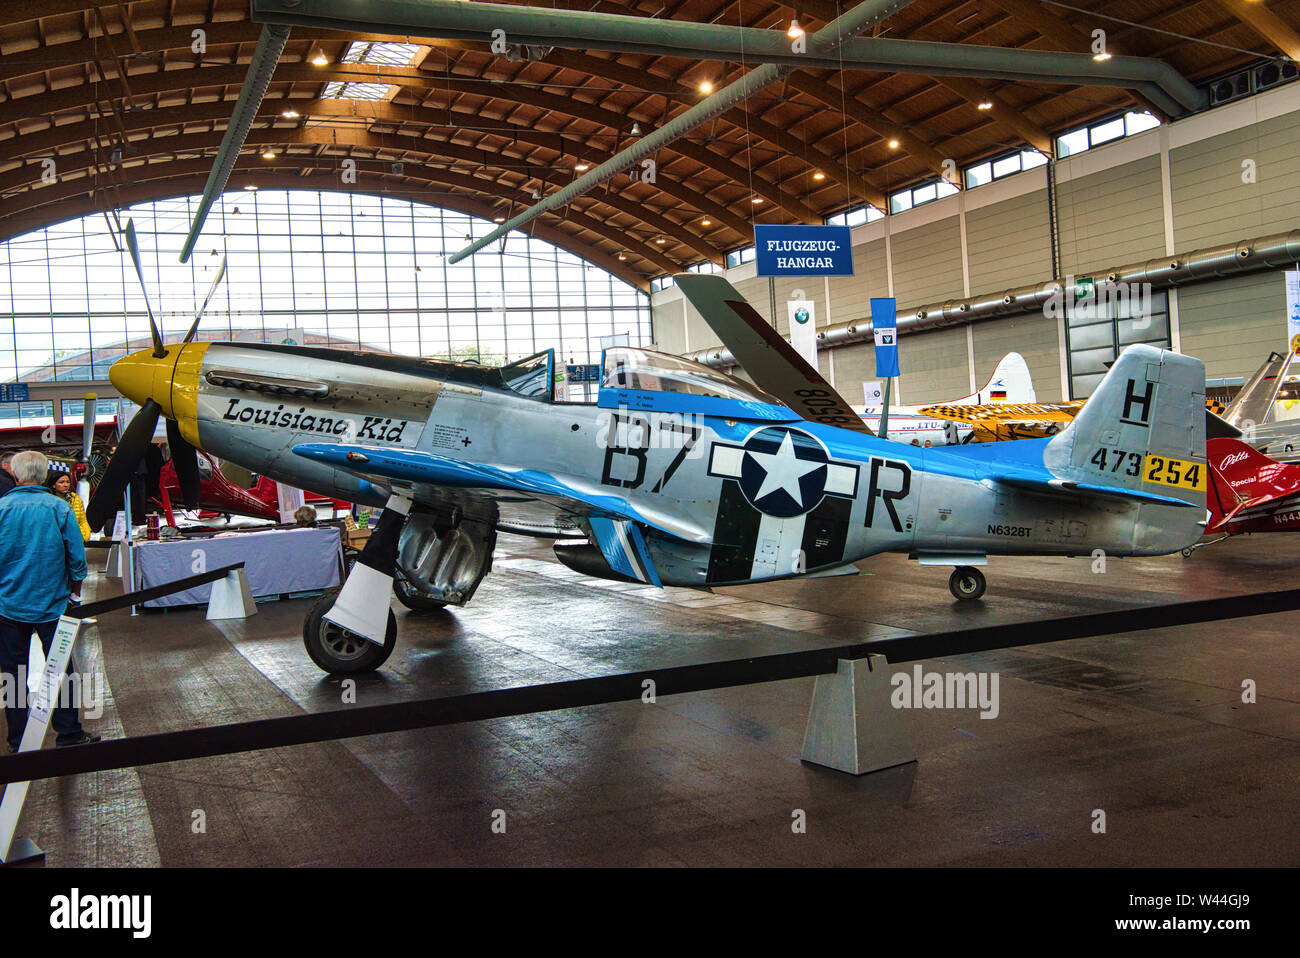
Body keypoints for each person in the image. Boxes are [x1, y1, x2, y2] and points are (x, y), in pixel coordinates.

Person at [0, 450, 98, 751]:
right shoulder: (59, 508)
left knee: (13, 674)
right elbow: (77, 557)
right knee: (62, 668)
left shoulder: (1, 508)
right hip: (54, 603)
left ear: (15, 475)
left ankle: (19, 741)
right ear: (45, 476)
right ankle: (68, 733)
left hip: (8, 605)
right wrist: (74, 592)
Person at [44, 469, 91, 542]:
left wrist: (85, 535)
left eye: (68, 482)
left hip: (75, 539)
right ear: (54, 485)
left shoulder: (75, 499)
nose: (65, 485)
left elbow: (83, 521)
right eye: (61, 482)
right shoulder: (47, 501)